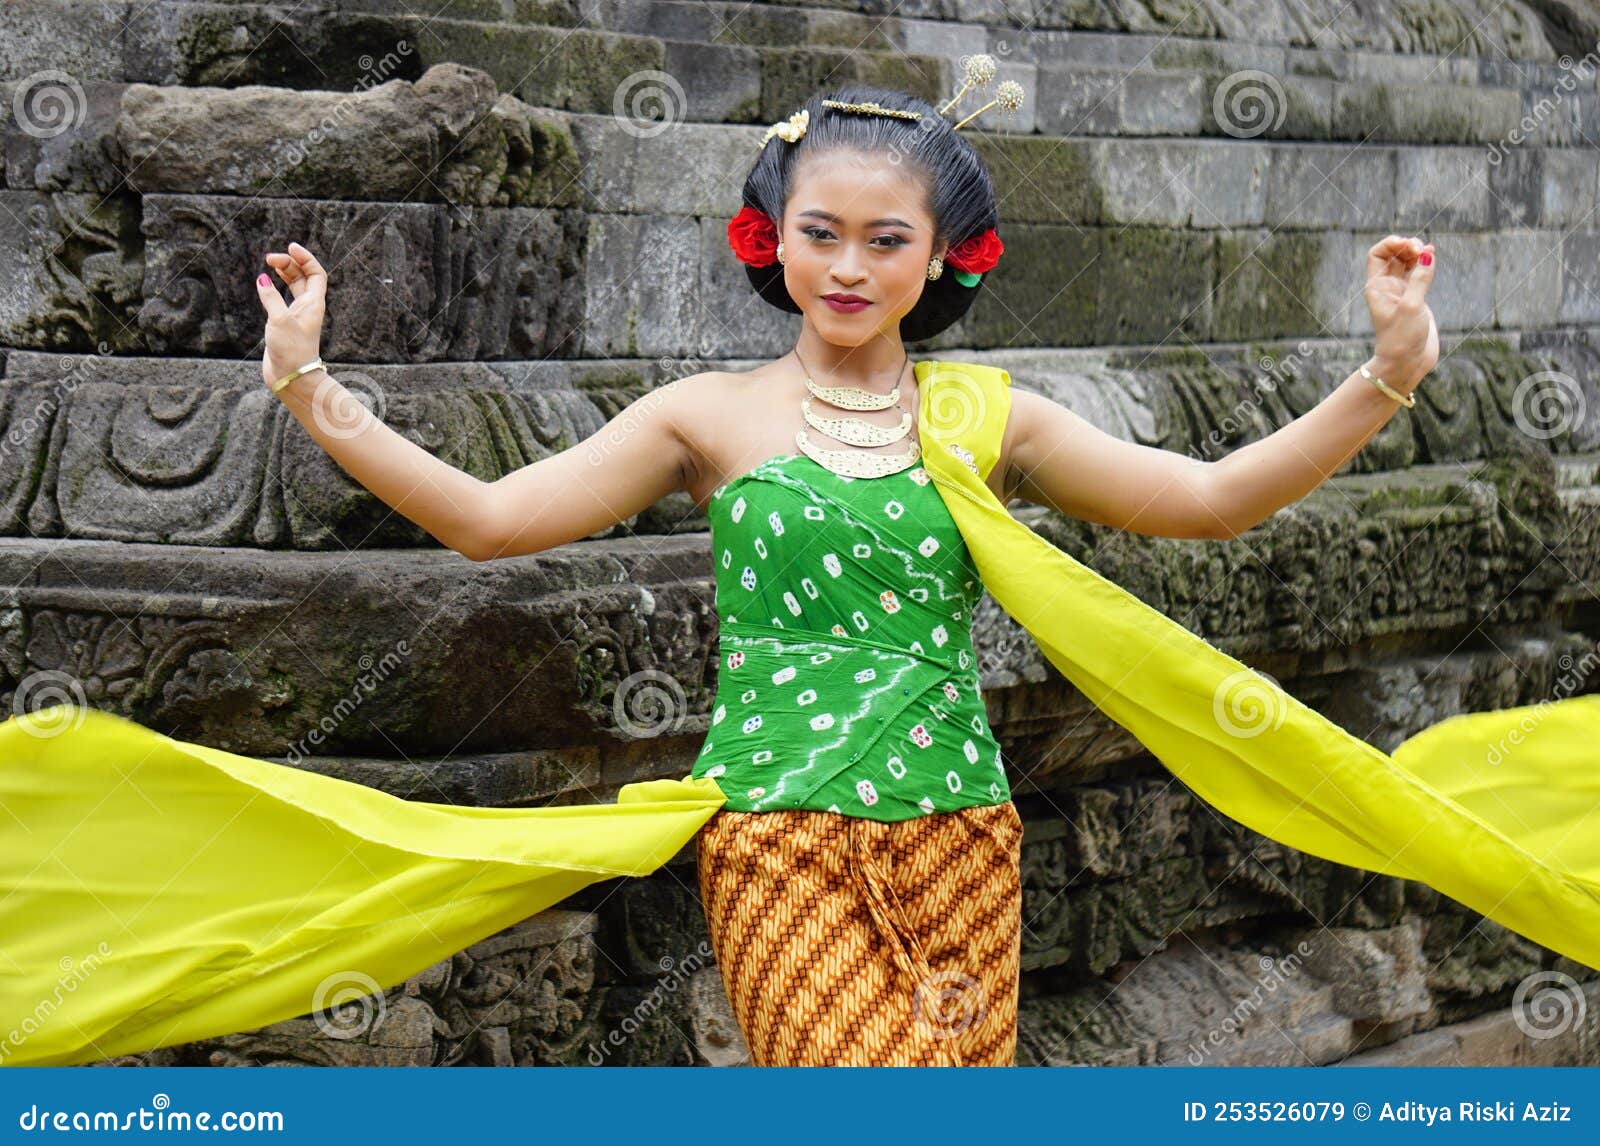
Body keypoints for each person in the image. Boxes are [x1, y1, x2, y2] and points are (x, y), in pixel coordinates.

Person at [4, 77, 1598, 1070]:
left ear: (941, 259)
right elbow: (491, 520)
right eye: (819, 232)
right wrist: (307, 388)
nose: (847, 266)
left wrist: (1384, 375)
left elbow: (1207, 495)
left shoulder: (979, 413)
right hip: (776, 842)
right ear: (771, 236)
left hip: (964, 837)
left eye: (884, 242)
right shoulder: (708, 416)